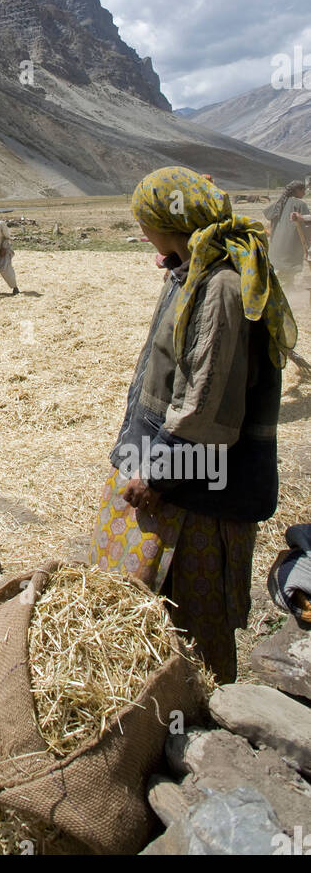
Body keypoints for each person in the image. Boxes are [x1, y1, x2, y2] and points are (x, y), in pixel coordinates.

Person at [90, 167, 296, 684]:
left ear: (171, 222)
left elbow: (205, 404)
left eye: (147, 221)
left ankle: (200, 719)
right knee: (142, 616)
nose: (141, 232)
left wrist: (156, 473)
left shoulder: (221, 287)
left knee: (191, 625)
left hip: (196, 490)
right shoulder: (197, 269)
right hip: (175, 471)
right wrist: (177, 261)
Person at [264, 180, 309, 281]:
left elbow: (269, 218)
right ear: (297, 190)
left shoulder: (279, 203)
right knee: (286, 275)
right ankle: (286, 294)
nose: (305, 193)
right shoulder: (300, 205)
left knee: (279, 273)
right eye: (303, 190)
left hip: (275, 245)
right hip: (289, 246)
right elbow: (307, 226)